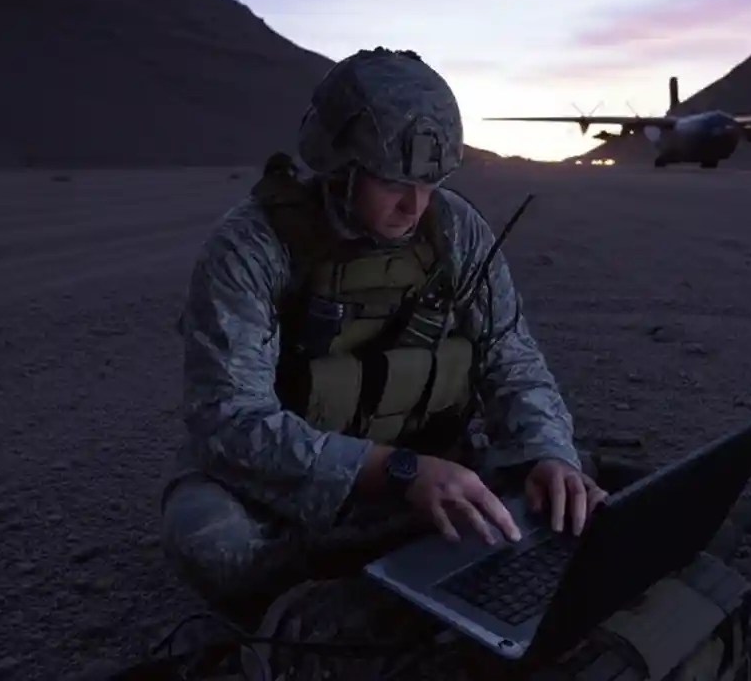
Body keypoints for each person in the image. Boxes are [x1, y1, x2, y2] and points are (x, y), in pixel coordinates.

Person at [159, 47, 617, 632]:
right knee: (212, 540)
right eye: (393, 182)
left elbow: (511, 358)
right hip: (294, 483)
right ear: (338, 164)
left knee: (565, 485)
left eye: (429, 184)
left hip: (430, 459)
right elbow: (229, 419)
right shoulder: (251, 248)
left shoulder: (452, 229)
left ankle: (396, 563)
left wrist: (548, 451)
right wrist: (396, 472)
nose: (414, 206)